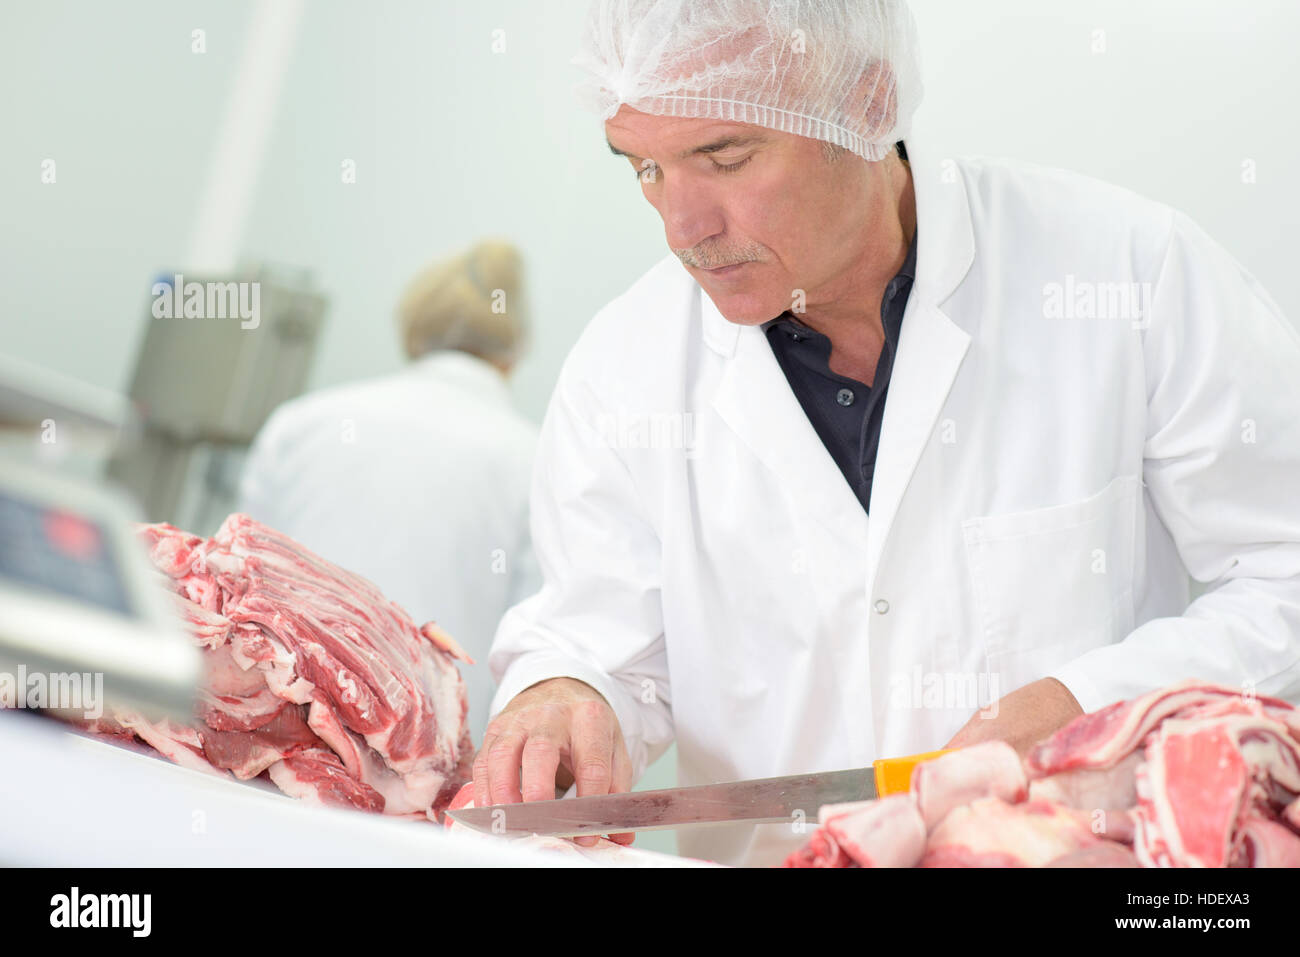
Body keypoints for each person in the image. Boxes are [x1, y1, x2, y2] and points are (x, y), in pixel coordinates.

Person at [475, 0, 1300, 867]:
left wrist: (1089, 700)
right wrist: (565, 690)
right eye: (644, 168)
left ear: (867, 106)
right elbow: (602, 640)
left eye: (724, 157)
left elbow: (1285, 573)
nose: (684, 227)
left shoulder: (1132, 276)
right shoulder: (624, 364)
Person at [239, 240, 540, 742]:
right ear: (515, 351)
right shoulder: (536, 463)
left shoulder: (302, 424)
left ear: (413, 331)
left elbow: (237, 591)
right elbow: (534, 662)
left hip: (272, 746)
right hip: (420, 779)